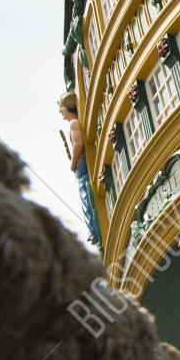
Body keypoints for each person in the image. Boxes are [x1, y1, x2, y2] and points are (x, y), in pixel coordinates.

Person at [58, 92, 101, 247]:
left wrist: (72, 163)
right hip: (81, 166)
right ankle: (93, 231)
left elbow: (78, 144)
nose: (60, 110)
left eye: (62, 106)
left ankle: (95, 231)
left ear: (69, 106)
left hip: (81, 164)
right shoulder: (72, 124)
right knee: (84, 196)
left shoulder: (73, 124)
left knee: (86, 195)